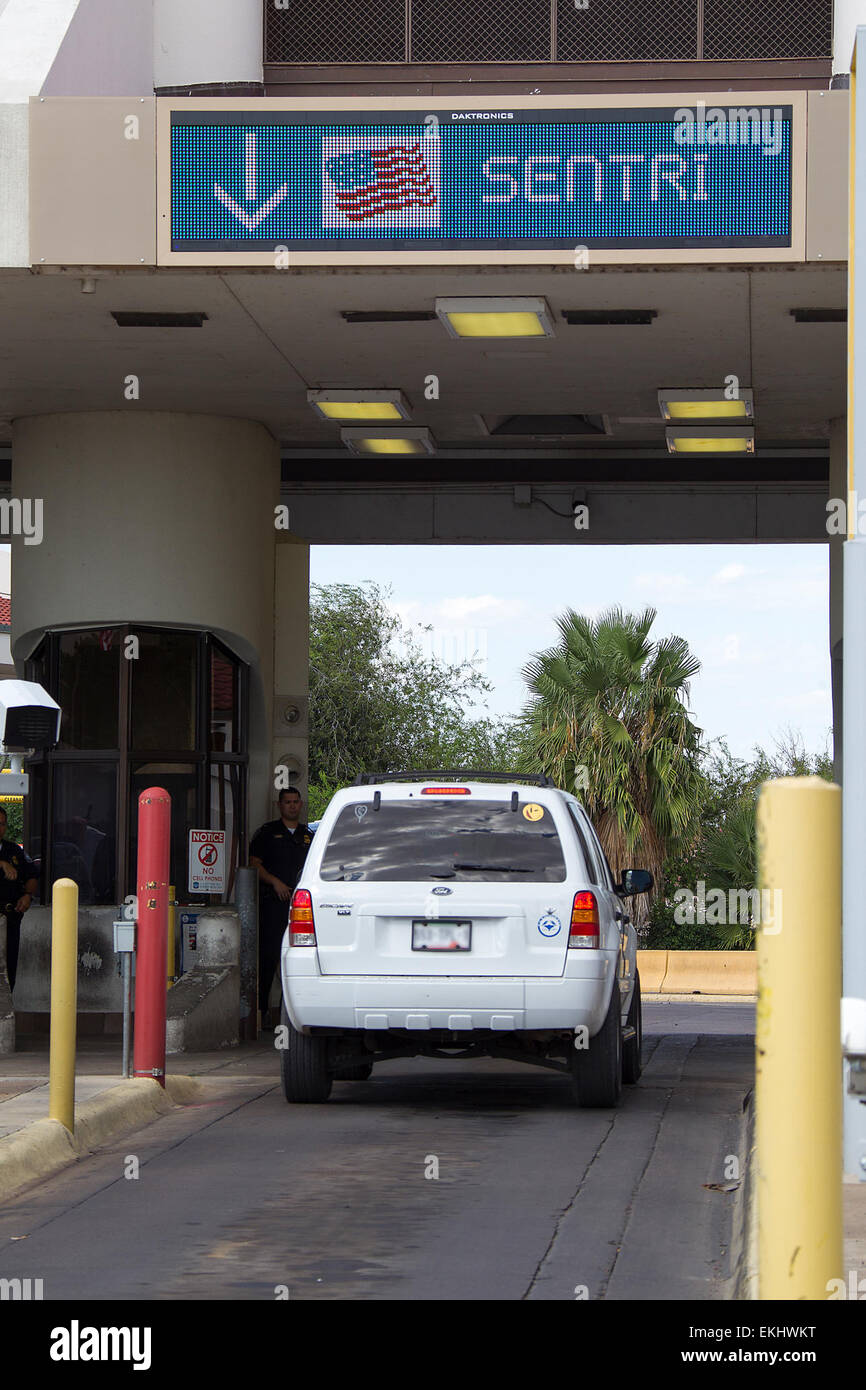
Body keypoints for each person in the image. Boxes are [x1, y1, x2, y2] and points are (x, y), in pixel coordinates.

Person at [249, 788, 313, 1030]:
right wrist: (274, 882)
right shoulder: (268, 833)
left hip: (300, 907)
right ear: (279, 805)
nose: (293, 806)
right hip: (274, 905)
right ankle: (262, 1013)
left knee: (299, 958)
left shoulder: (308, 835)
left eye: (296, 802)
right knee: (268, 958)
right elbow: (254, 865)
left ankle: (291, 1015)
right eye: (288, 802)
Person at [0, 807, 39, 994]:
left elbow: (32, 875)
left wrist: (27, 895)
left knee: (8, 971)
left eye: (2, 824)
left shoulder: (14, 850)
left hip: (9, 920)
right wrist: (1, 863)